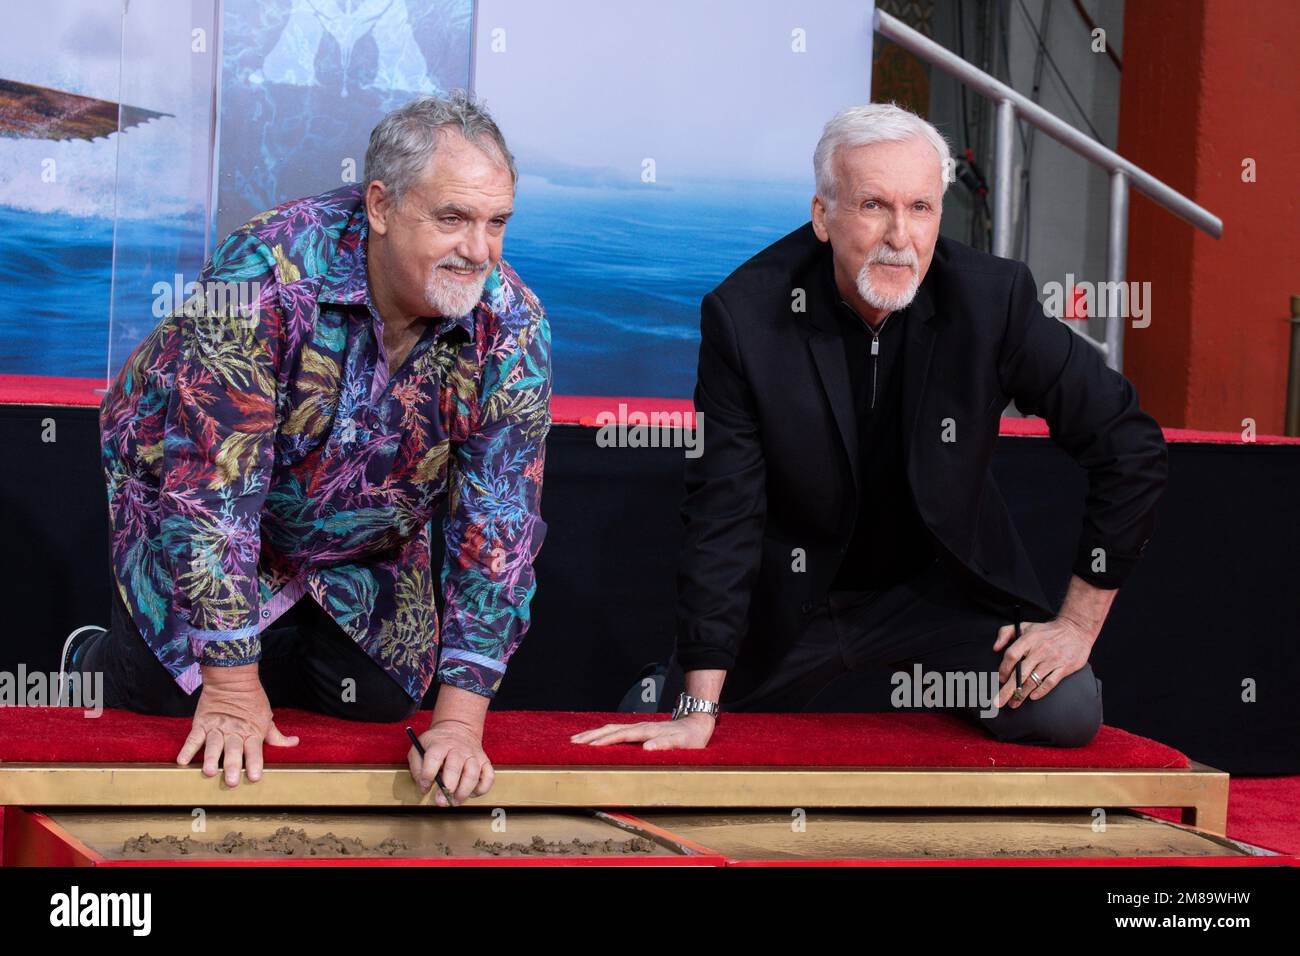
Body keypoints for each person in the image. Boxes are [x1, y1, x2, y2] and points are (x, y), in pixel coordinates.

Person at [572, 102, 1167, 752]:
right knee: (670, 718)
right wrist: (696, 704)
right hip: (795, 600)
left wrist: (1076, 625)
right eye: (874, 205)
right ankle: (673, 686)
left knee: (1067, 711)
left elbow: (1127, 442)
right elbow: (725, 512)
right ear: (823, 216)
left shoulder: (992, 301)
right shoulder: (747, 317)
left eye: (921, 208)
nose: (900, 237)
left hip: (941, 597)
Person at [69, 91, 551, 800]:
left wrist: (457, 723)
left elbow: (500, 526)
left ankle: (278, 642)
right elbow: (211, 490)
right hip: (194, 486)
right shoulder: (261, 271)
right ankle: (96, 656)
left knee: (382, 703)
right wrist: (231, 690)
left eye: (496, 223)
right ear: (381, 206)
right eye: (453, 219)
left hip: (365, 522)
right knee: (175, 702)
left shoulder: (513, 327)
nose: (479, 251)